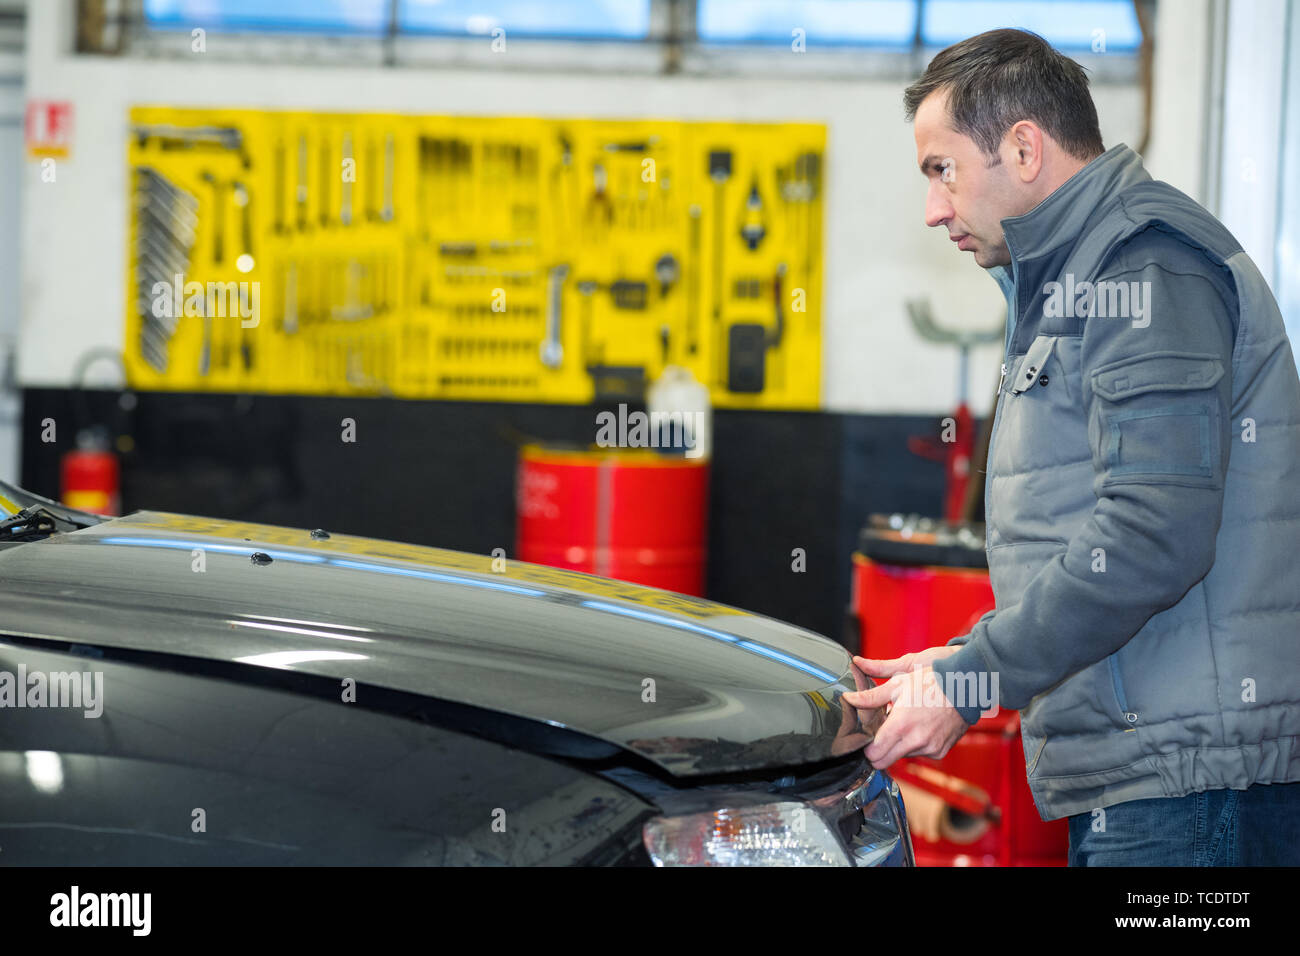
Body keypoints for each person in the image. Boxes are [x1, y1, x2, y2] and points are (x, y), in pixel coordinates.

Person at [842, 28, 1300, 866]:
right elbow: (1086, 534)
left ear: (1023, 148)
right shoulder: (1076, 281)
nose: (933, 208)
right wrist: (964, 654)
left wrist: (970, 679)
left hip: (1192, 790)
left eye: (940, 170)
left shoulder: (1144, 268)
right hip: (1154, 777)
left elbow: (1153, 532)